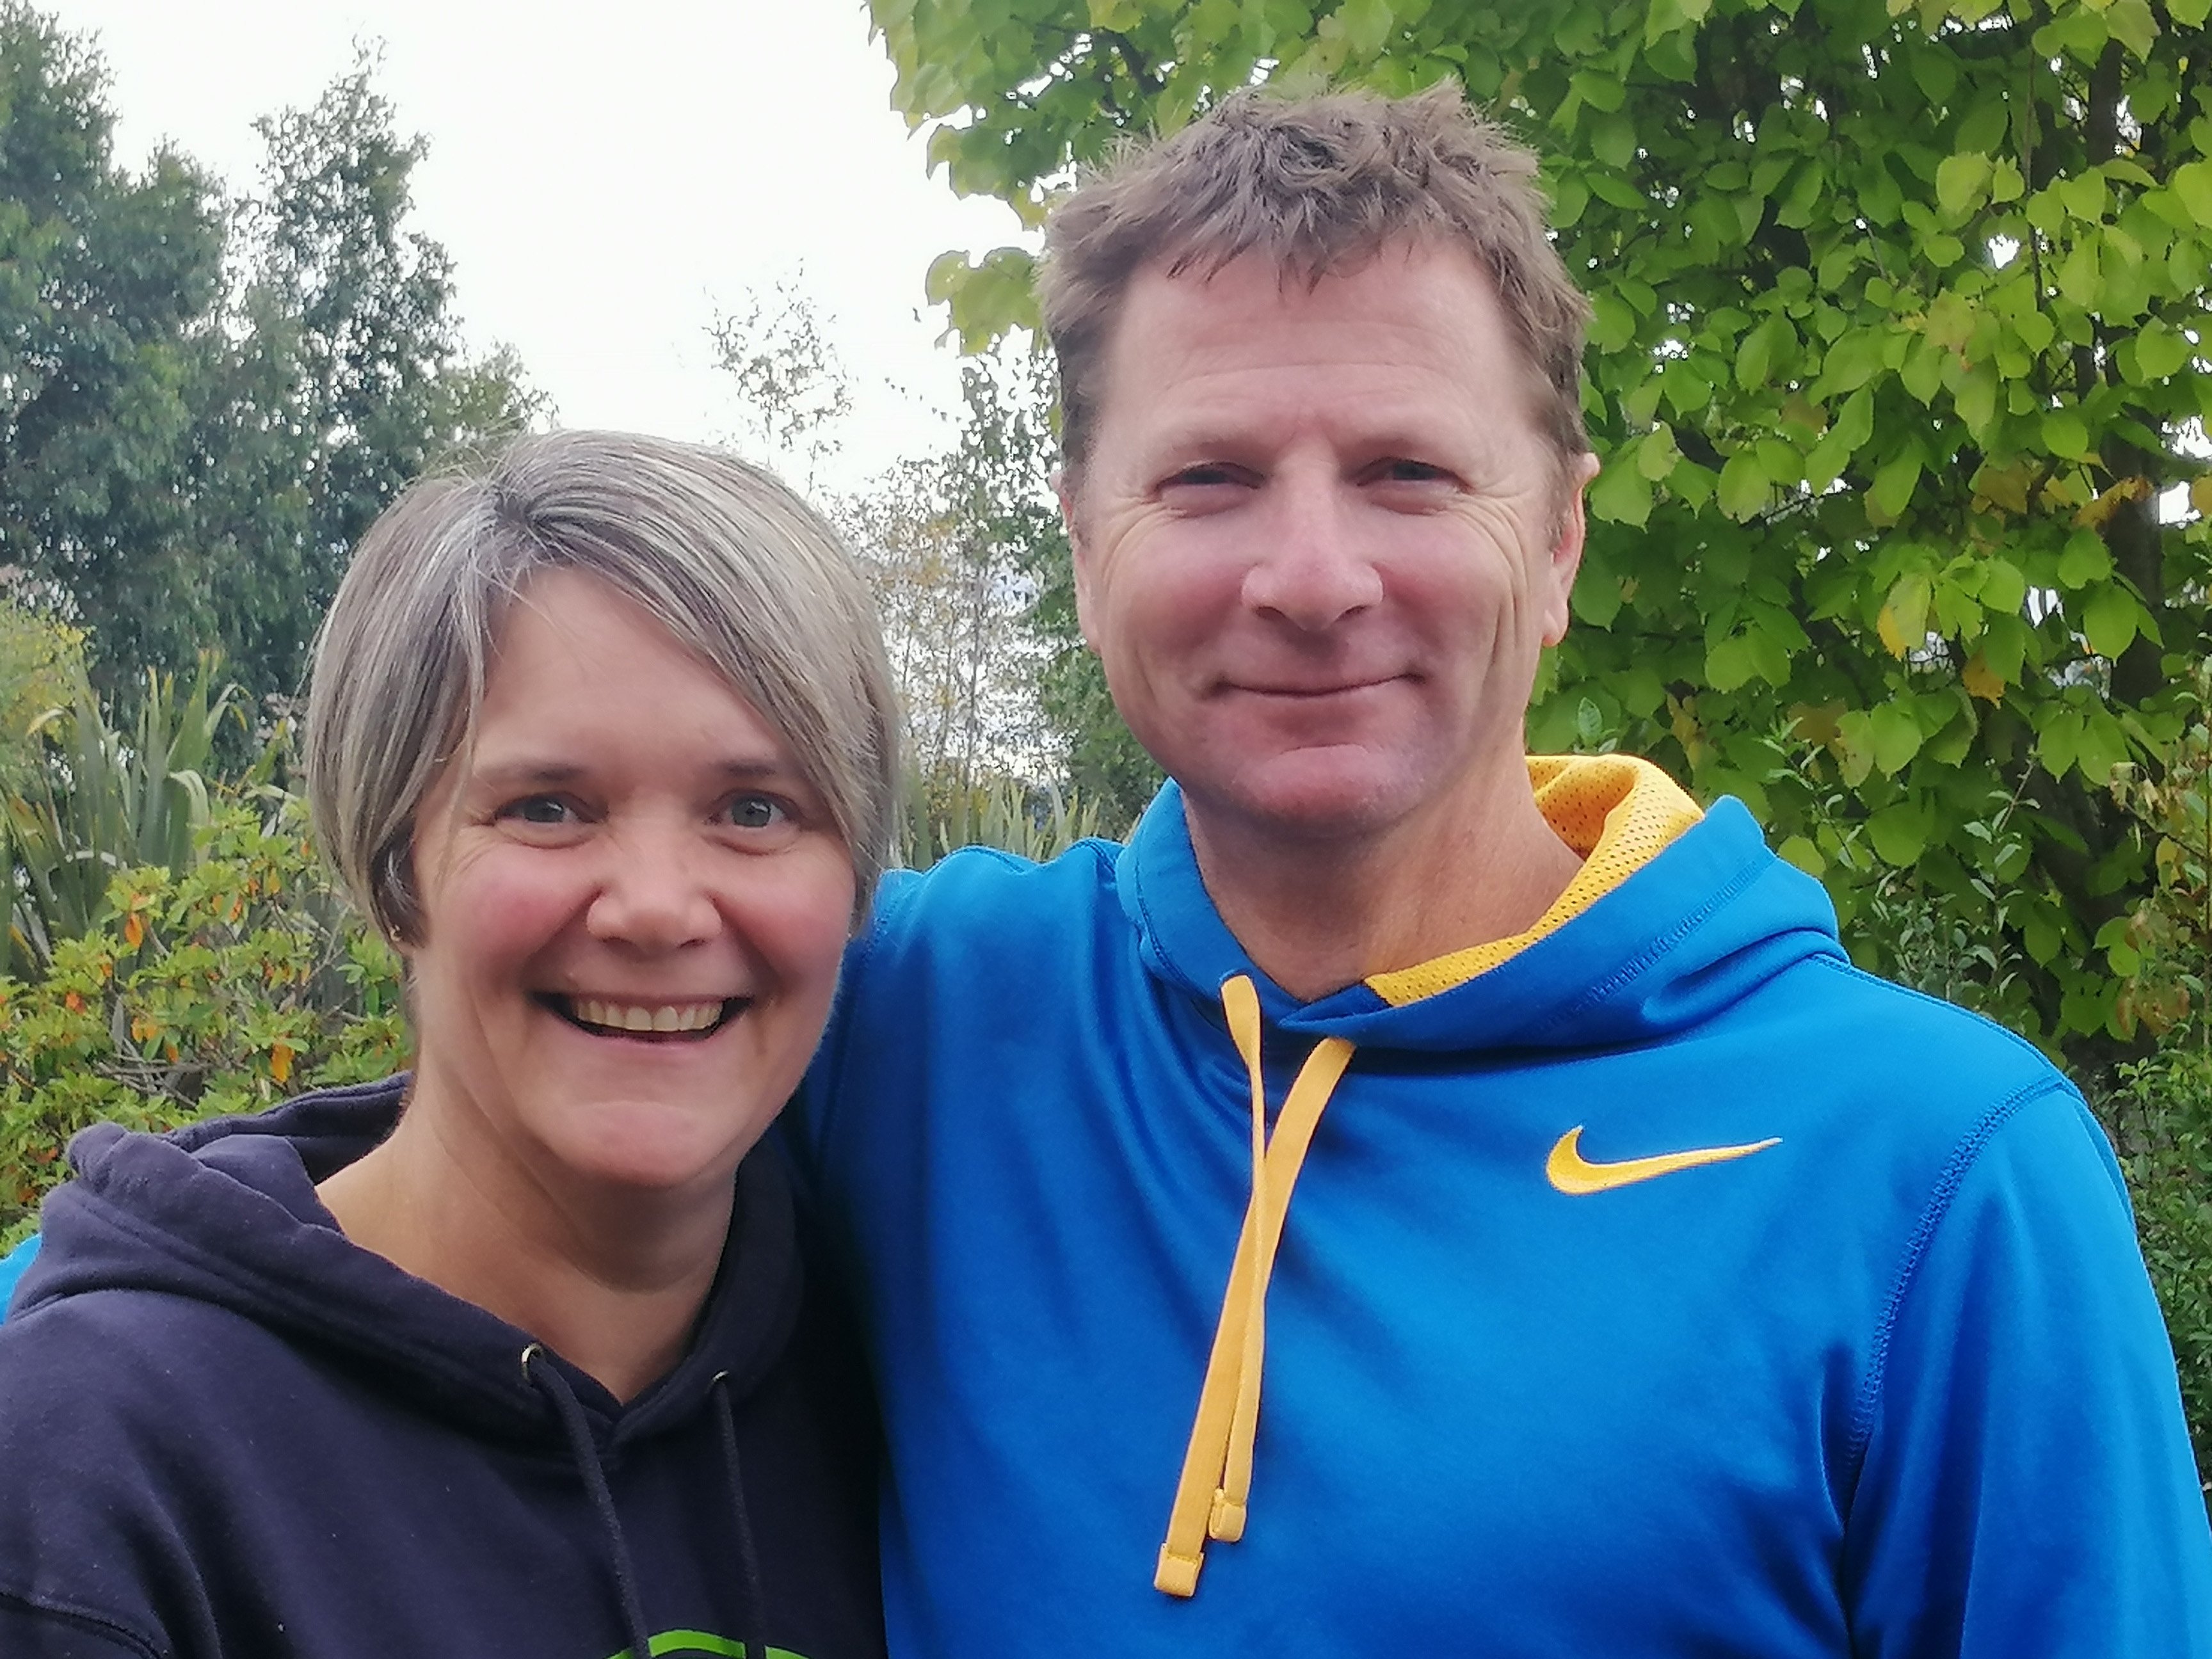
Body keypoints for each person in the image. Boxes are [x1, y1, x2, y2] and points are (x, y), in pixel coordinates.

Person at [792, 84, 2212, 1656]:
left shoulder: (1941, 1170)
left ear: (1557, 542)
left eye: (1409, 471)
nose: (1313, 579)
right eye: (1207, 479)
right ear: (1080, 543)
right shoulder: (890, 1015)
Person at [0, 432, 896, 1659]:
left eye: (755, 810)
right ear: (392, 871)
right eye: (546, 808)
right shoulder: (94, 1475)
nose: (656, 908)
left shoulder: (900, 1397)